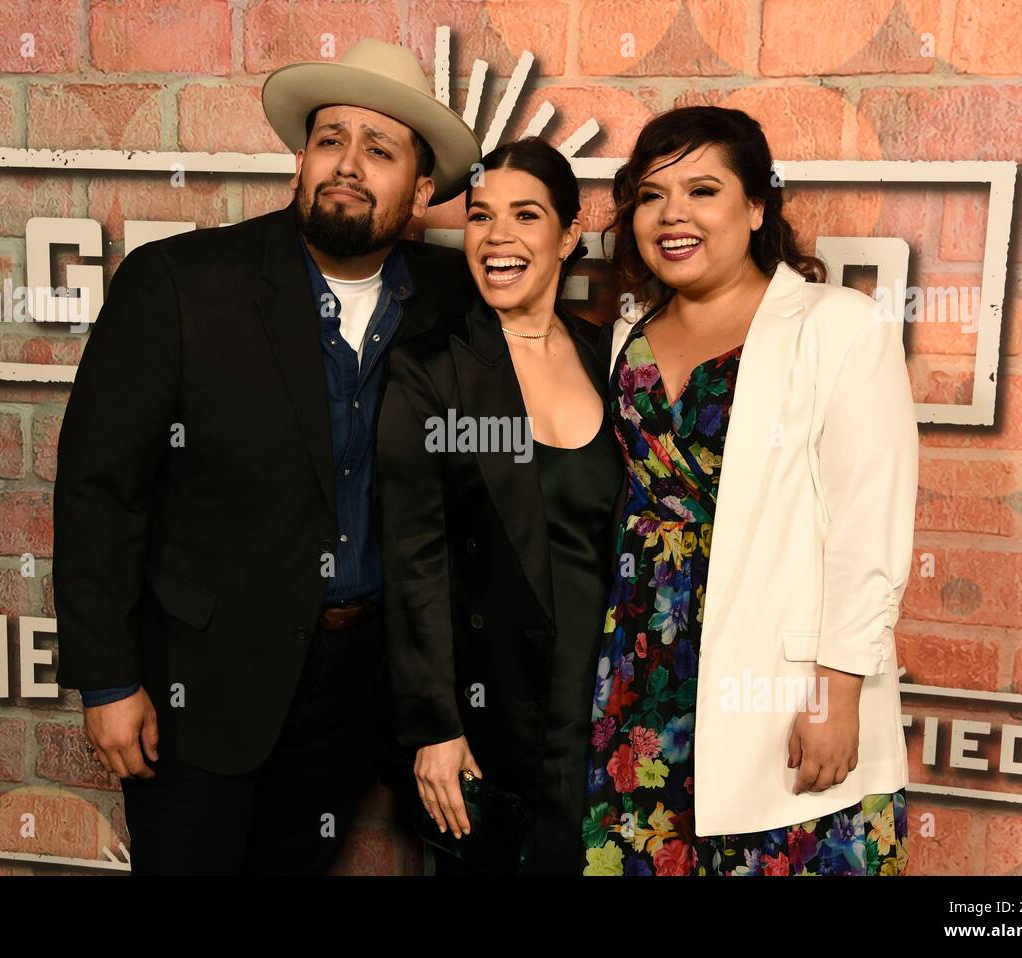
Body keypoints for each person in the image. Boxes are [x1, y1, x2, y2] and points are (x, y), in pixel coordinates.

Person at [52, 39, 482, 875]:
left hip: (356, 692)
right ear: (301, 159)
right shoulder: (180, 282)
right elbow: (100, 491)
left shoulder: (450, 298)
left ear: (423, 190)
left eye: (380, 149)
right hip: (199, 688)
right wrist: (106, 680)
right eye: (330, 140)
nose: (348, 165)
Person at [581, 106, 917, 876]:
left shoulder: (836, 326)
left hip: (780, 690)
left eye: (703, 190)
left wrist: (838, 692)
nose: (673, 215)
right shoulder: (625, 336)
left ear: (757, 206)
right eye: (651, 194)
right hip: (641, 676)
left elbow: (872, 523)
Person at [376, 137, 622, 875]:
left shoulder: (605, 355)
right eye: (481, 216)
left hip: (605, 707)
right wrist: (435, 726)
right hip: (490, 721)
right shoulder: (431, 369)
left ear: (569, 234)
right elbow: (412, 558)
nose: (498, 237)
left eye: (526, 214)